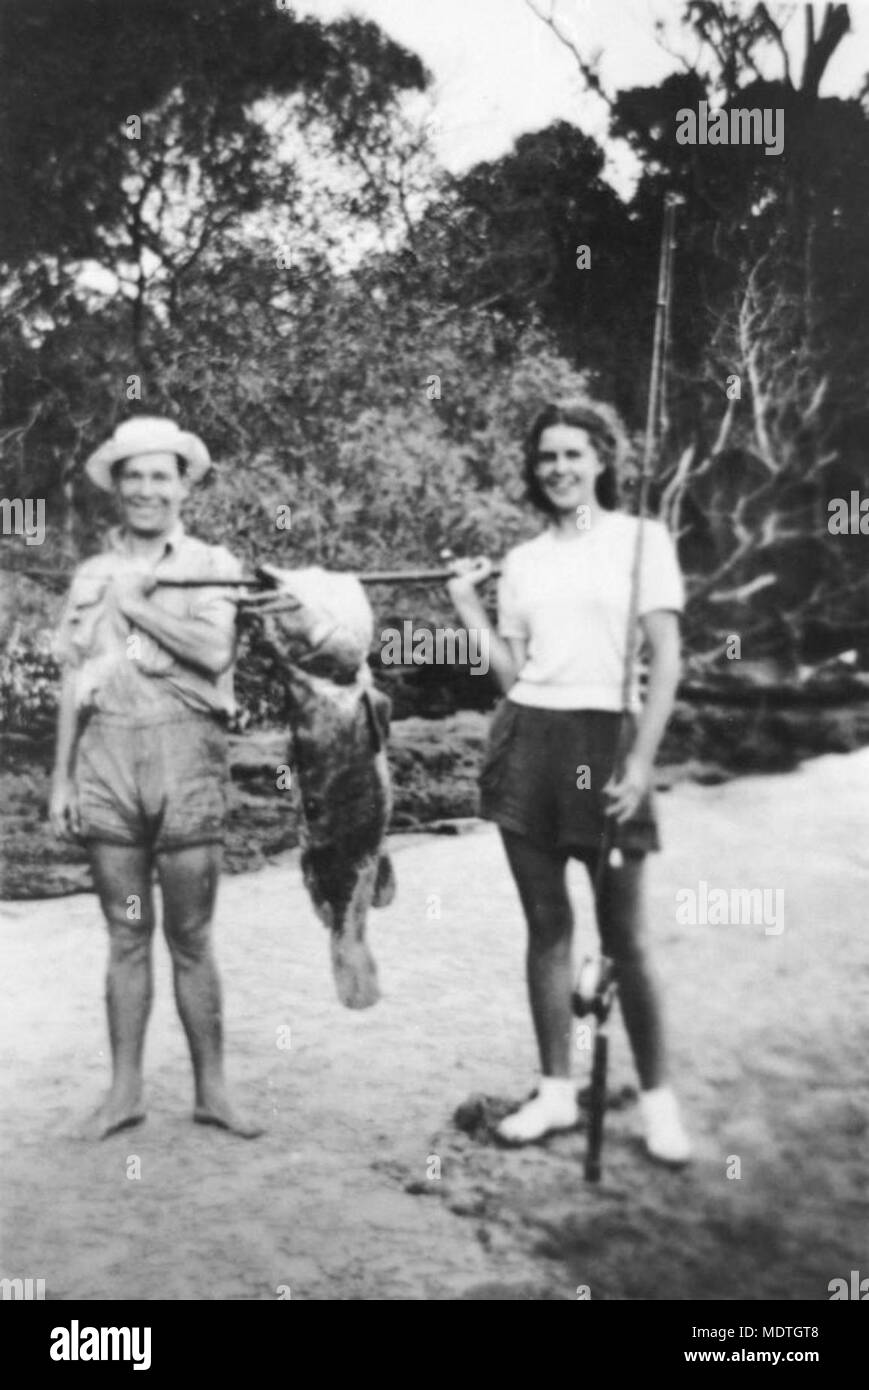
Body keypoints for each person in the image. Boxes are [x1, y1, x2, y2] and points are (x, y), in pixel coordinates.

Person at [447, 399, 691, 1164]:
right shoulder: (522, 562)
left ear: (601, 462)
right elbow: (513, 678)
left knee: (623, 939)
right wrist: (463, 608)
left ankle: (657, 1102)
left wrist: (641, 762)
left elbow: (668, 660)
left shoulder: (640, 540)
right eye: (546, 456)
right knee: (546, 926)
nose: (558, 468)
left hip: (607, 738)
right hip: (530, 741)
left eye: (573, 455)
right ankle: (555, 1092)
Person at [49, 416, 262, 1140]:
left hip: (185, 755)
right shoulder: (90, 575)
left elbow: (213, 649)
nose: (145, 489)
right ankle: (125, 1093)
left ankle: (213, 1091)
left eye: (159, 476)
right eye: (131, 476)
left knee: (193, 936)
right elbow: (73, 680)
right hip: (106, 757)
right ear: (117, 487)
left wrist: (139, 604)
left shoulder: (211, 563)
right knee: (126, 932)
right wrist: (62, 781)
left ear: (182, 486)